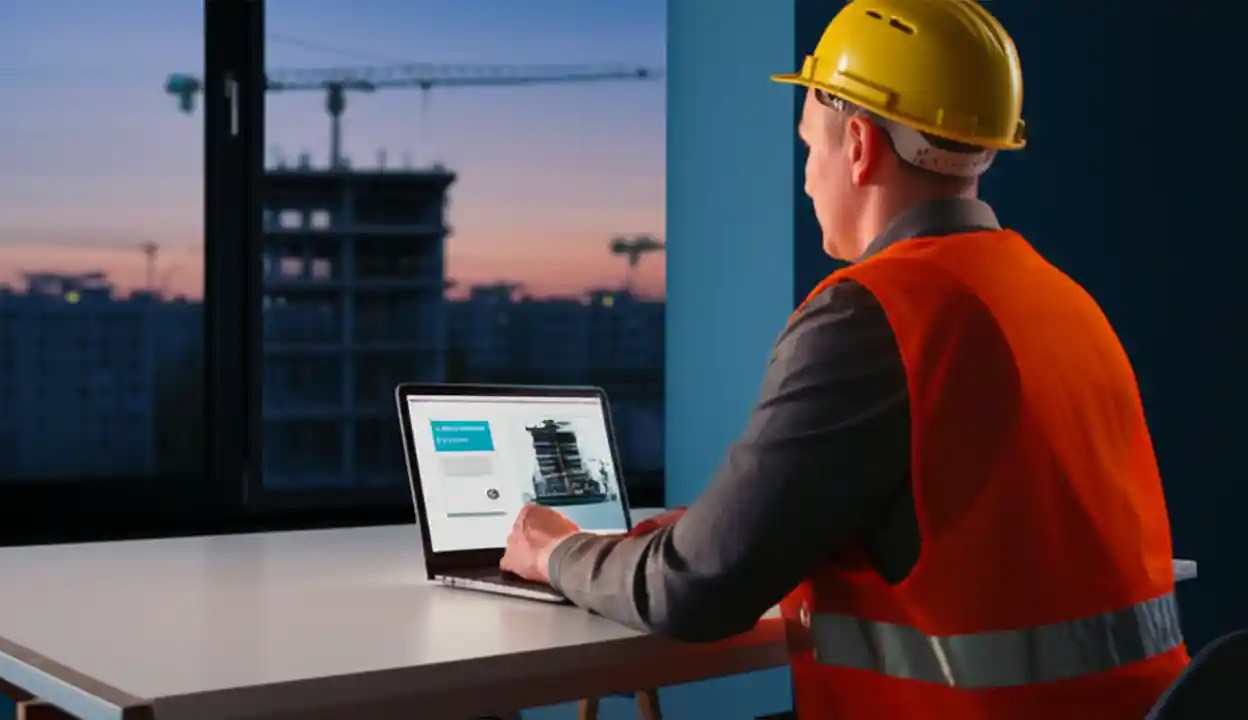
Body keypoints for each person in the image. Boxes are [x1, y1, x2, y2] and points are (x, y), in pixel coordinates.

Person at [500, 0, 1189, 716]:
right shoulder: (1062, 299)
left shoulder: (874, 313)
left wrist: (558, 552)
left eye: (810, 145)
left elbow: (695, 592)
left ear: (858, 144)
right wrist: (731, 522)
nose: (806, 178)